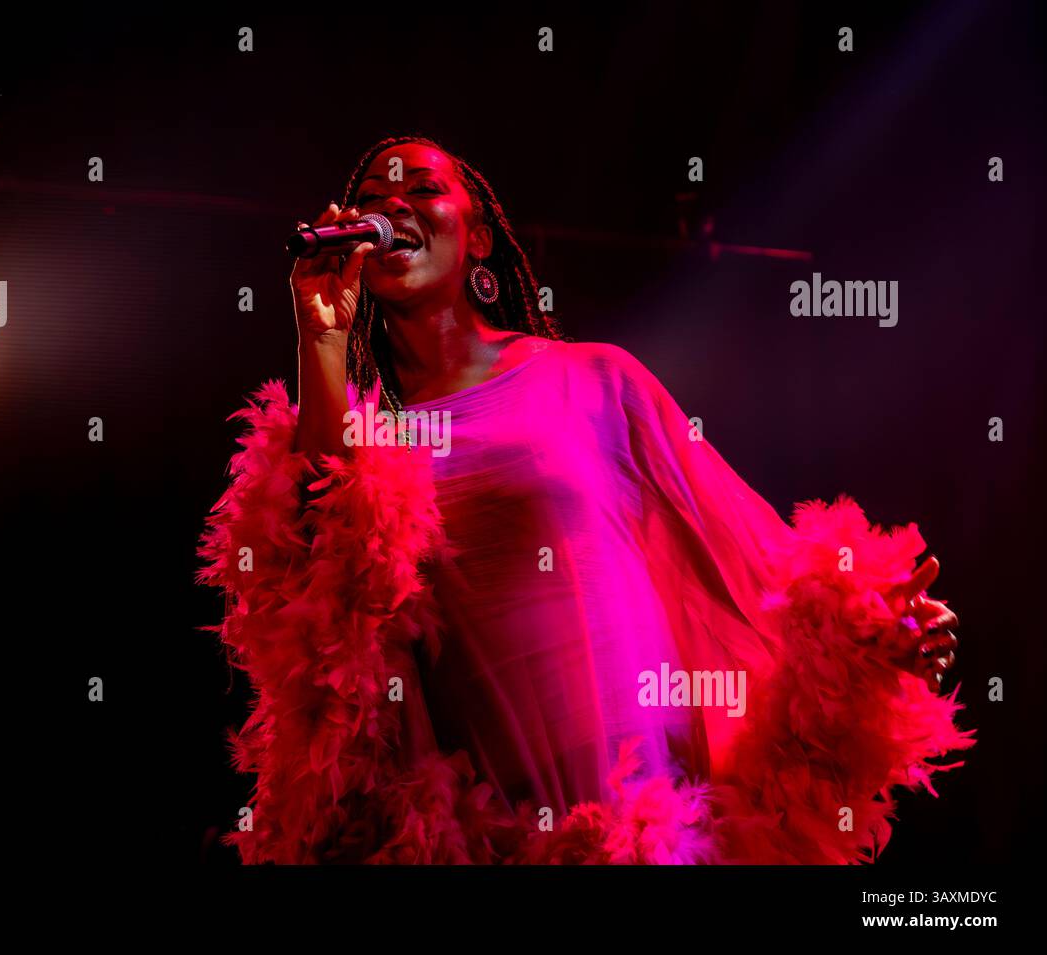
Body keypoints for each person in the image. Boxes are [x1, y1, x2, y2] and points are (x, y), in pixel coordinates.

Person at [197, 135, 973, 864]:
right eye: (371, 195)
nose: (390, 205)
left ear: (479, 239)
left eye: (422, 189)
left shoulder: (596, 380)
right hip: (486, 843)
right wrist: (321, 343)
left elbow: (754, 558)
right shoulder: (367, 441)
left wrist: (877, 629)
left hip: (638, 819)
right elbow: (312, 598)